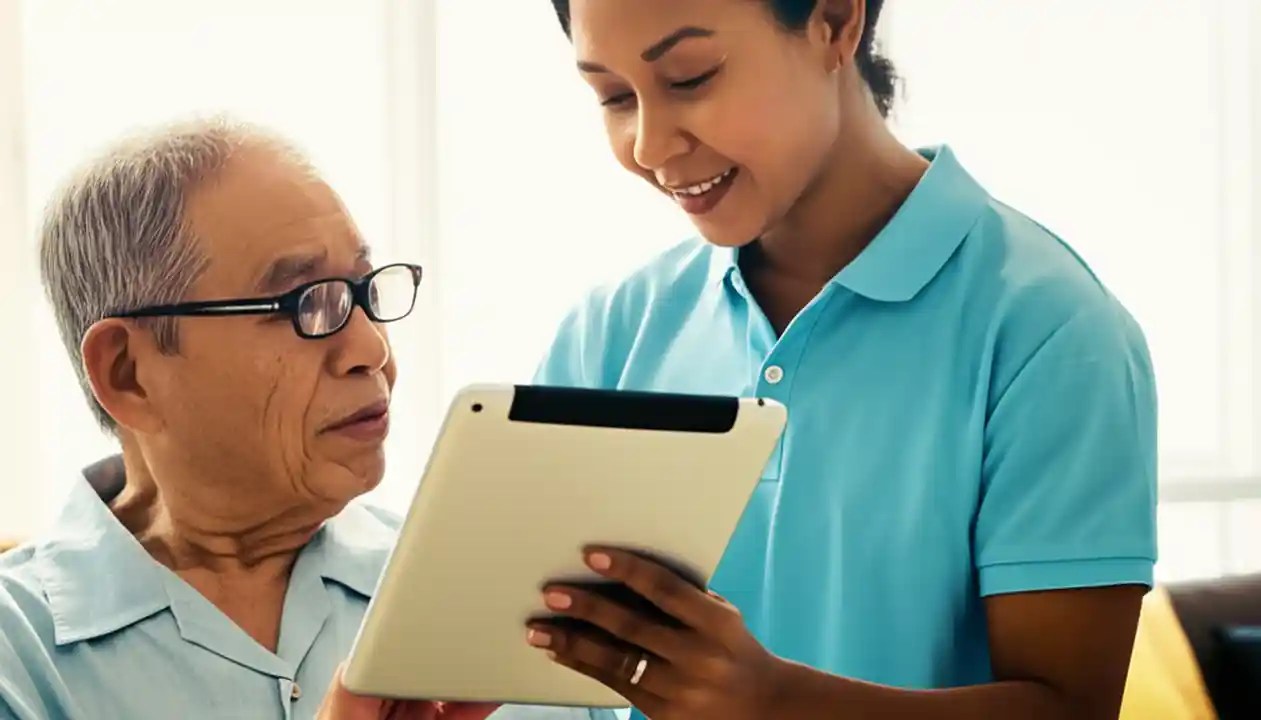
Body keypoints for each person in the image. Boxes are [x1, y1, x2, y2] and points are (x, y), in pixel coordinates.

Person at [521, 0, 1158, 718]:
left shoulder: (1049, 331)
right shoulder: (613, 330)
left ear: (832, 22)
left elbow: (1070, 709)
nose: (649, 144)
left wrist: (776, 704)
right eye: (612, 95)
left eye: (690, 77)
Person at [0, 119, 597, 720]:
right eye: (307, 303)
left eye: (363, 292)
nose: (372, 350)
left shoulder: (510, 608)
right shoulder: (17, 654)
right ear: (129, 372)